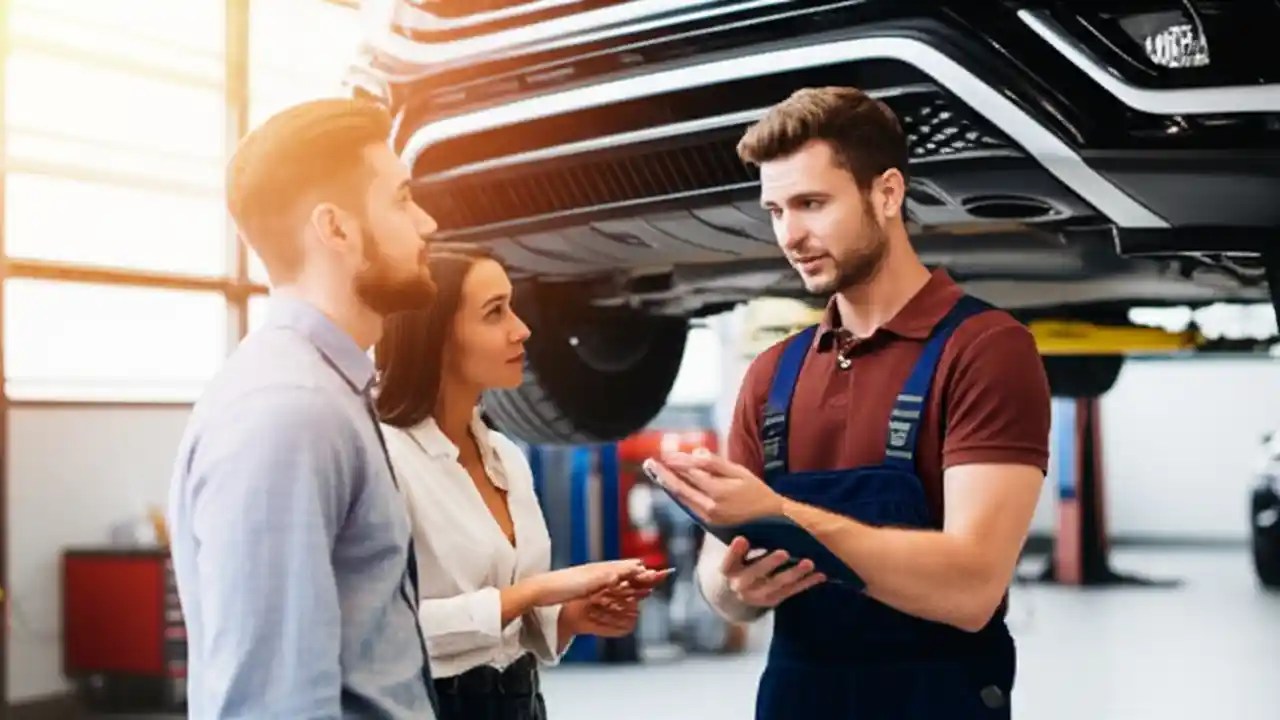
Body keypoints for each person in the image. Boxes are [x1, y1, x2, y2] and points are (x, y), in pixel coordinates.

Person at [645, 86, 1052, 719]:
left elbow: (972, 585)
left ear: (887, 193)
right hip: (797, 697)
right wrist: (735, 586)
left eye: (811, 203)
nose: (791, 235)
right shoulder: (770, 375)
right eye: (776, 210)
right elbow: (716, 585)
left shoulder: (986, 350)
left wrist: (785, 516)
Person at [167, 98, 444, 719]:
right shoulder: (290, 412)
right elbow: (274, 702)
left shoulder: (327, 392)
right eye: (402, 198)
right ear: (337, 229)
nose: (427, 223)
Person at [373, 250, 671, 720]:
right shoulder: (384, 457)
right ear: (438, 336)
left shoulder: (505, 458)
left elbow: (512, 626)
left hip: (519, 701)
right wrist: (540, 592)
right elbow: (384, 631)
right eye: (495, 312)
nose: (522, 329)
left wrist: (573, 616)